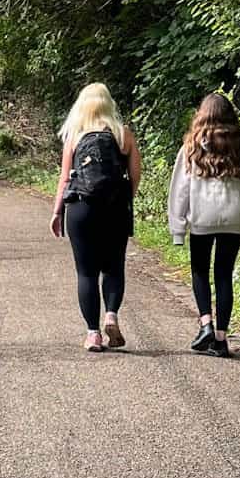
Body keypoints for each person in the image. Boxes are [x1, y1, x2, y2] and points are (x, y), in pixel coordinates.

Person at [49, 83, 142, 353]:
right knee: (114, 267)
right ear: (108, 104)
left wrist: (57, 212)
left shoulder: (75, 137)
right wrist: (124, 199)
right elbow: (135, 175)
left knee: (86, 272)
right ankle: (111, 314)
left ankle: (93, 335)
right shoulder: (124, 135)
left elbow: (65, 179)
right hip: (114, 208)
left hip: (81, 208)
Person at [167, 93, 240, 357]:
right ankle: (221, 338)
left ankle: (206, 323)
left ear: (202, 114)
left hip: (203, 217)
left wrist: (178, 227)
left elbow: (180, 189)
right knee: (224, 274)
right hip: (234, 216)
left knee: (200, 271)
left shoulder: (192, 145)